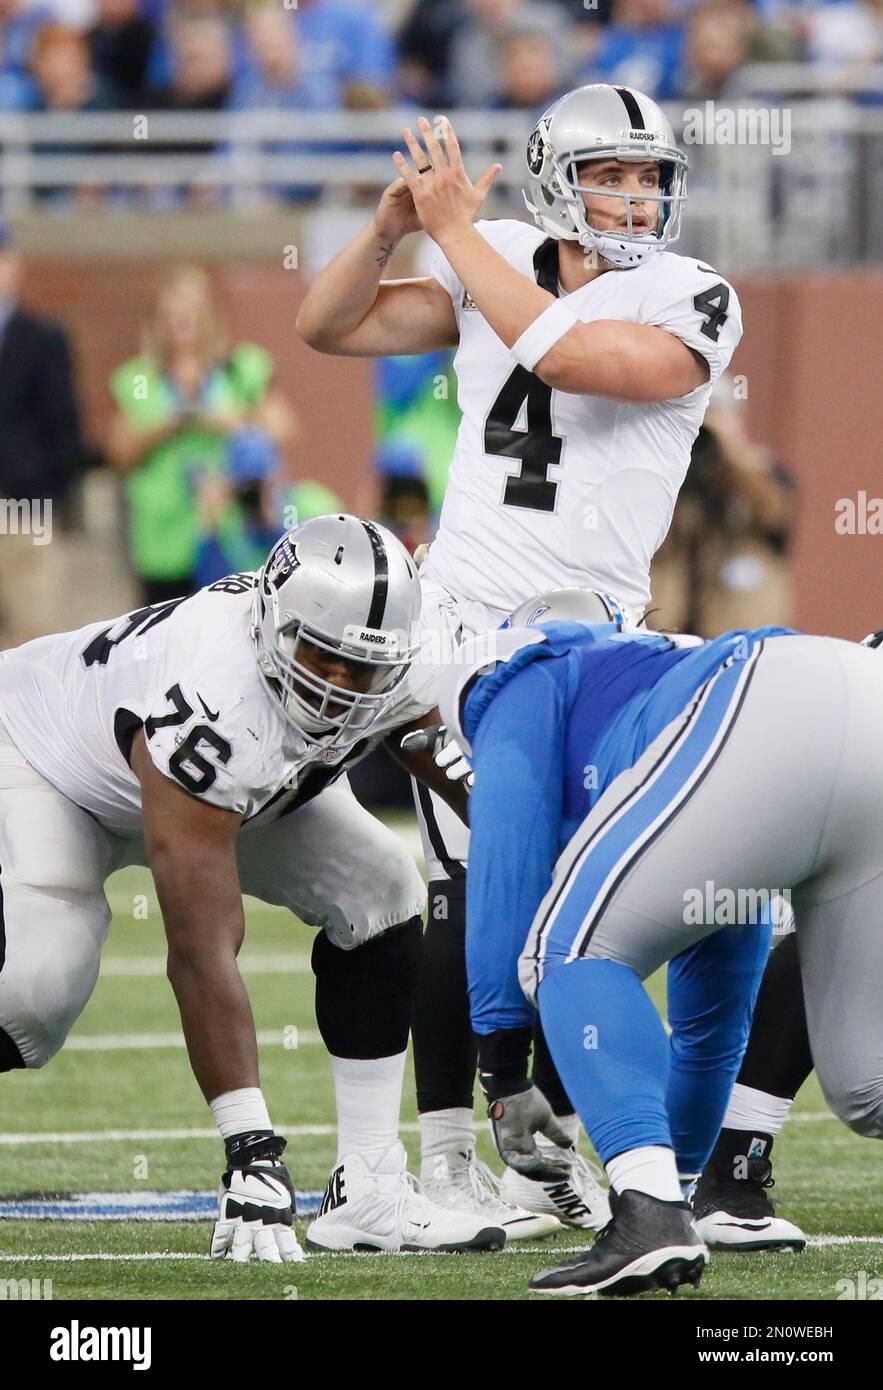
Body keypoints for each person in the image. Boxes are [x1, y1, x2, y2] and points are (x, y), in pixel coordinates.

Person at [296, 83, 742, 1235]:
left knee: (561, 898)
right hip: (463, 630)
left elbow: (587, 362)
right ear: (557, 177)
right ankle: (456, 1157)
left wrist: (454, 239)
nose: (636, 197)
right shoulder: (487, 252)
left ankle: (531, 1153)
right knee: (476, 880)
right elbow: (327, 326)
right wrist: (396, 223)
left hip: (599, 635)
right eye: (612, 175)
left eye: (650, 177)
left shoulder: (689, 293)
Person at [0, 513, 505, 1258]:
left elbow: (434, 748)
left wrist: (542, 861)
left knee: (381, 887)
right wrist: (252, 1153)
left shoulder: (410, 646)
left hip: (232, 778)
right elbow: (201, 948)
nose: (337, 689)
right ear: (272, 623)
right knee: (39, 988)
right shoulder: (217, 693)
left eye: (359, 669)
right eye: (321, 658)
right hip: (48, 762)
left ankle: (366, 1187)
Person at [435, 595, 883, 1295]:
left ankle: (647, 1214)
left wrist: (502, 1069)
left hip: (766, 696)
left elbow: (506, 869)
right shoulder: (657, 675)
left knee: (567, 950)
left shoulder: (526, 672)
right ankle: (663, 1202)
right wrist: (671, 1184)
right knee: (866, 1086)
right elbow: (714, 1008)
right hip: (847, 686)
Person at [107, 265, 296, 605]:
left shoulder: (241, 369)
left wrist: (229, 421)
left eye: (192, 312)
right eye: (171, 315)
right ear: (155, 323)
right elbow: (119, 451)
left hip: (237, 536)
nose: (183, 323)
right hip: (165, 542)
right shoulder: (138, 380)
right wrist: (169, 423)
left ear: (212, 316)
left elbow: (283, 429)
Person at [0, 223, 83, 647]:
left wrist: (44, 496)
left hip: (23, 507)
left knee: (30, 642)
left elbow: (65, 429)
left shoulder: (42, 340)